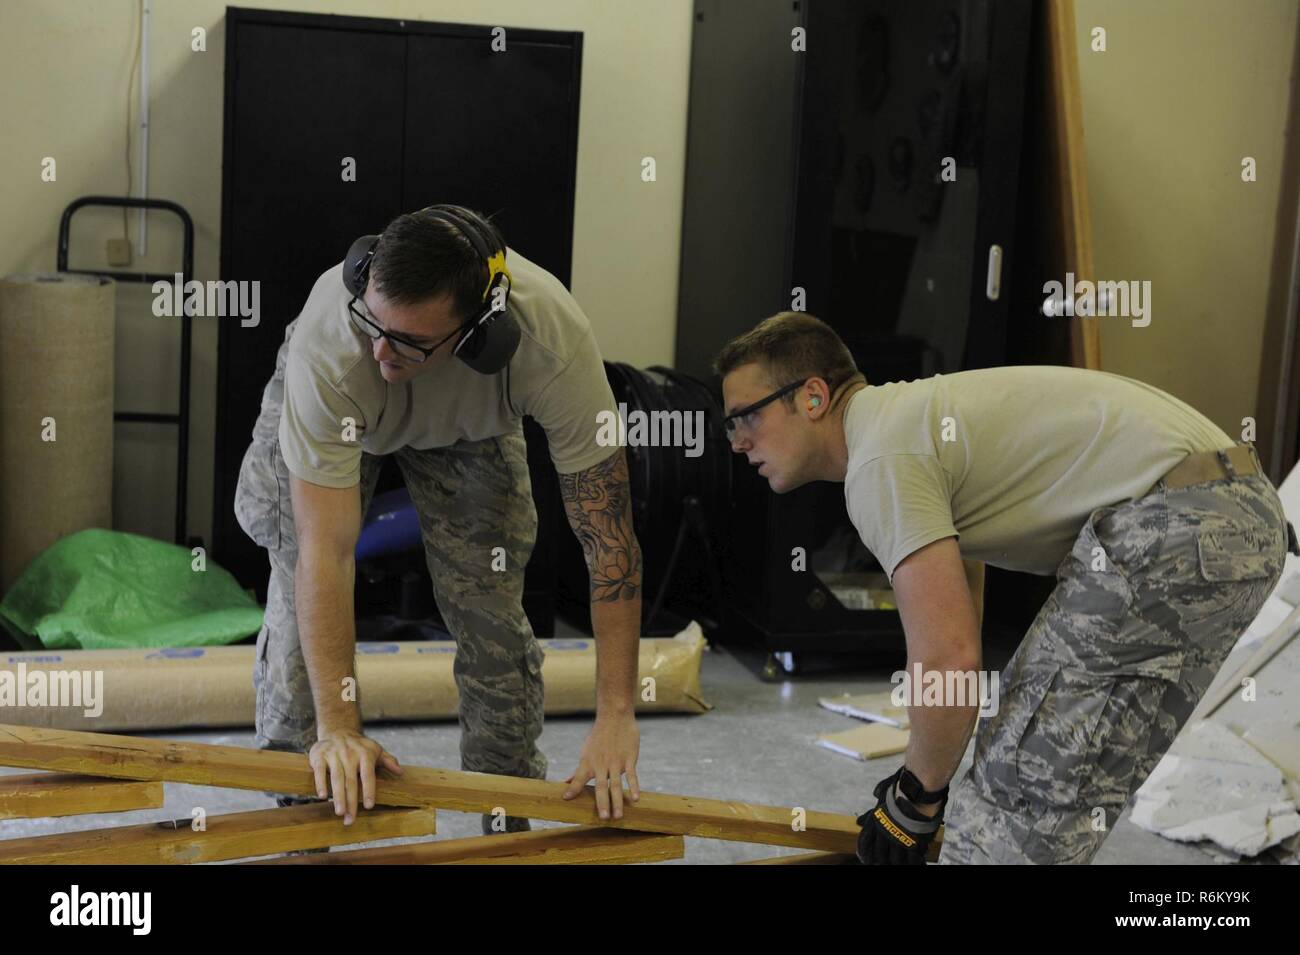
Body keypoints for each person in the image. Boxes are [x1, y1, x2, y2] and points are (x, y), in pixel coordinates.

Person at [714, 311, 1297, 864]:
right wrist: (926, 783)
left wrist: (914, 799)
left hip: (1178, 522)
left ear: (813, 397)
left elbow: (947, 656)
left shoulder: (879, 459)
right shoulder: (911, 423)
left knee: (1017, 785)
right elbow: (961, 622)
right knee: (1066, 778)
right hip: (1239, 515)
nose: (737, 441)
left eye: (746, 417)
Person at [234, 205, 643, 833]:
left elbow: (608, 541)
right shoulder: (335, 343)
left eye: (408, 340)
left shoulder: (552, 344)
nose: (381, 352)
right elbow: (326, 552)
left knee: (490, 609)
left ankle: (503, 816)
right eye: (373, 323)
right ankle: (303, 820)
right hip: (340, 409)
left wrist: (616, 714)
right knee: (295, 602)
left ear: (480, 335)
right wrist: (340, 728)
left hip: (472, 424)